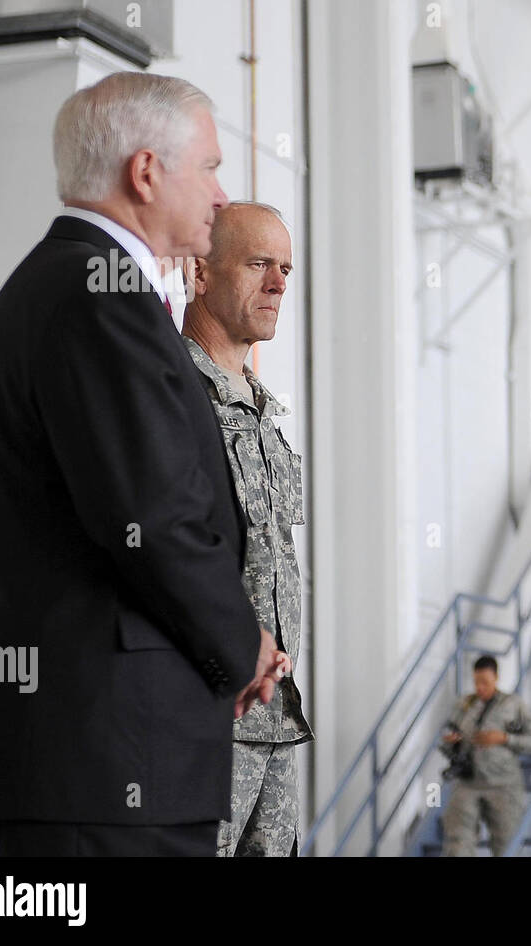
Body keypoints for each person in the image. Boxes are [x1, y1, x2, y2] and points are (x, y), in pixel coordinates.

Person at [0, 72, 284, 857]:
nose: (221, 194)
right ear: (146, 172)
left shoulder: (75, 286)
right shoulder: (99, 298)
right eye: (209, 167)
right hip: (110, 759)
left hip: (92, 759)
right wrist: (240, 646)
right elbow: (151, 517)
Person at [181, 202, 314, 857]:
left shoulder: (265, 412)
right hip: (209, 715)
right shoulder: (172, 394)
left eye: (285, 268)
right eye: (259, 263)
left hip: (277, 714)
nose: (280, 284)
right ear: (200, 274)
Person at [440, 655, 531, 856]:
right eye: (476, 682)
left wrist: (505, 738)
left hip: (503, 786)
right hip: (468, 783)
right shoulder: (464, 705)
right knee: (457, 842)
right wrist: (451, 743)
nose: (480, 688)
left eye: (485, 682)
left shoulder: (514, 705)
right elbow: (448, 741)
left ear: (496, 678)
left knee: (507, 845)